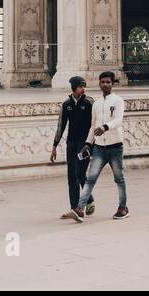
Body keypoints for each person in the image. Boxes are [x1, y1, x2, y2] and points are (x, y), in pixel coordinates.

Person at [63, 72, 128, 221]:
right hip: (99, 147)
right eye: (103, 82)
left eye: (108, 82)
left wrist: (105, 127)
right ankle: (79, 209)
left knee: (119, 179)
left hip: (115, 146)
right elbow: (93, 126)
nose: (105, 84)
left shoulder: (118, 101)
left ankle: (123, 207)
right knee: (90, 178)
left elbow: (118, 120)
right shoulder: (97, 104)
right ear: (99, 83)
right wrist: (88, 143)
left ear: (112, 84)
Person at [51, 75, 95, 216]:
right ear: (74, 88)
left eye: (84, 86)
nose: (83, 89)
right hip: (71, 144)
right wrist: (54, 146)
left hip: (85, 145)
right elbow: (61, 126)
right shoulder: (67, 104)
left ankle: (89, 199)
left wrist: (92, 143)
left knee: (80, 173)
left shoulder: (89, 102)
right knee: (71, 176)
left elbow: (94, 125)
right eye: (81, 86)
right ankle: (74, 208)